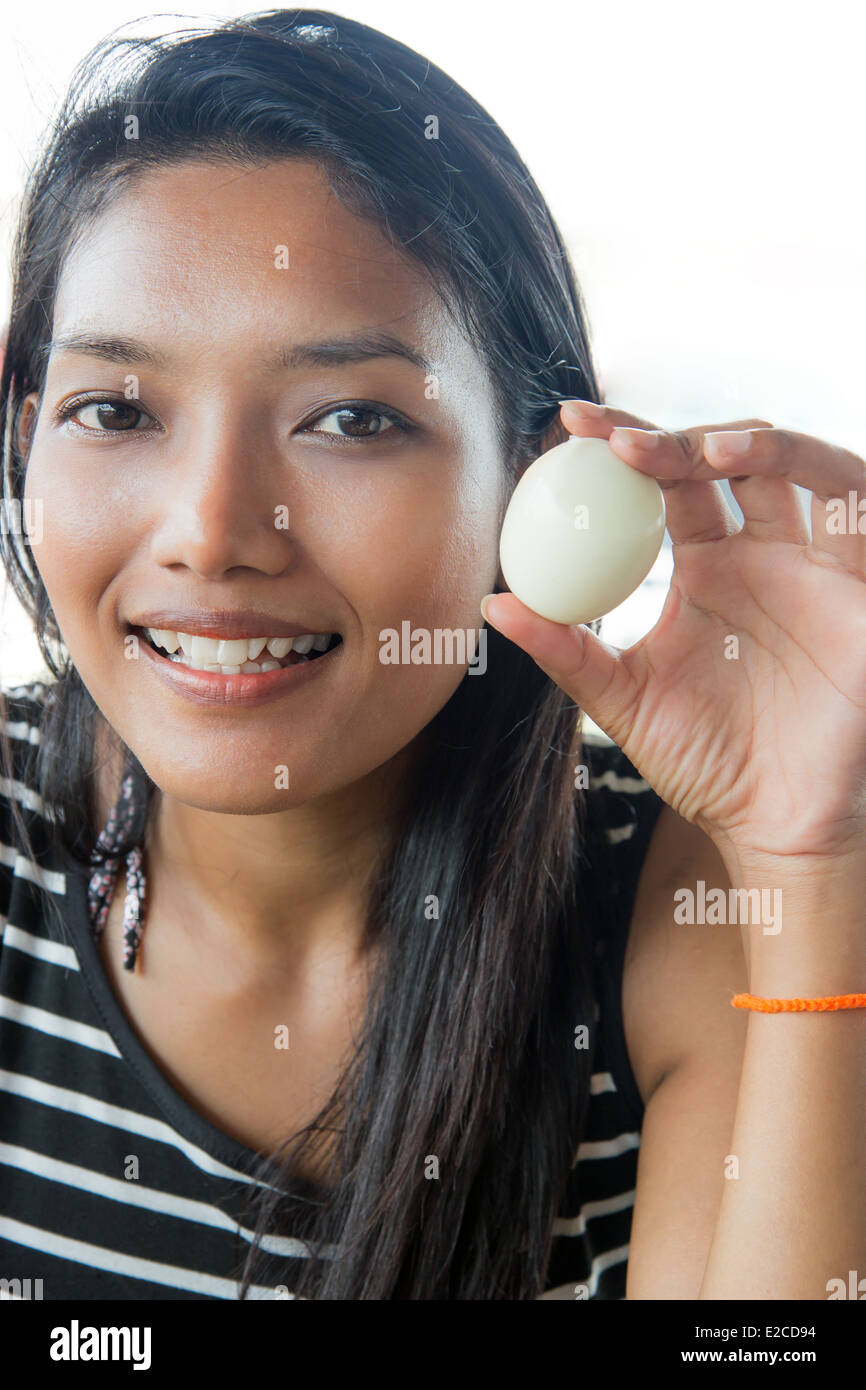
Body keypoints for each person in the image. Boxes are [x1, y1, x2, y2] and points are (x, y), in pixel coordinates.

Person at [0, 10, 863, 1302]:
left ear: (529, 477)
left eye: (351, 417)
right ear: (27, 445)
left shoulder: (687, 922)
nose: (214, 532)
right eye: (114, 410)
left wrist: (816, 863)